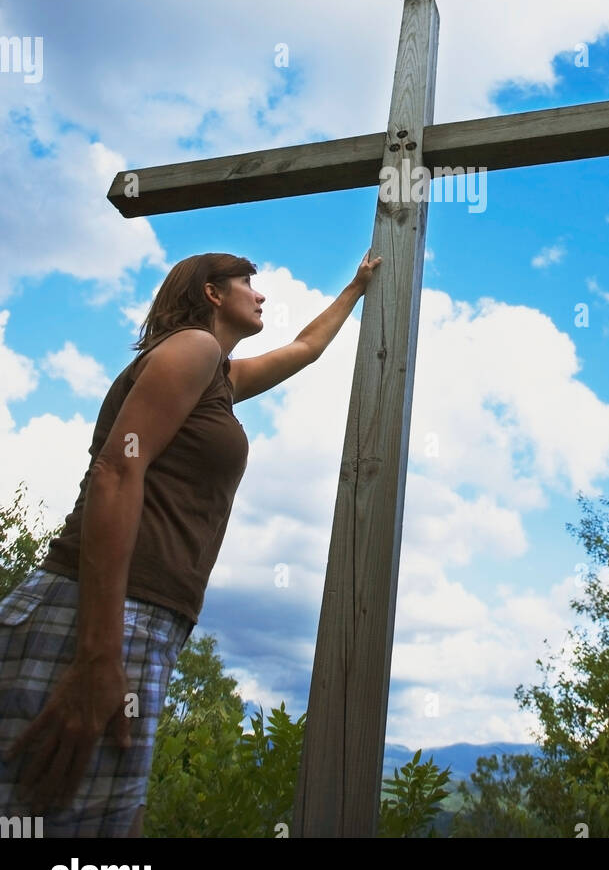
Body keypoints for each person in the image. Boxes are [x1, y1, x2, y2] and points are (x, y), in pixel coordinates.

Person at [0, 247, 381, 838]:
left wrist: (355, 289)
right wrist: (99, 654)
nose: (261, 295)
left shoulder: (219, 376)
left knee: (105, 823)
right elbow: (116, 471)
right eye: (247, 282)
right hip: (95, 615)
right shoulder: (192, 348)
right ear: (211, 292)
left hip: (135, 621)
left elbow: (305, 349)